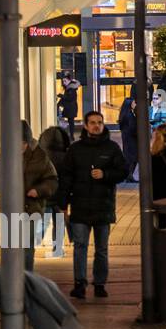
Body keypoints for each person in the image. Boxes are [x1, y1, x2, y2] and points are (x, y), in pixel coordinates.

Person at [64, 111, 129, 299]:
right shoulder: (75, 149)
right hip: (80, 206)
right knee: (80, 246)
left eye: (99, 122)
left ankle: (100, 283)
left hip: (103, 205)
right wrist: (63, 204)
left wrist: (106, 175)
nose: (96, 126)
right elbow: (66, 177)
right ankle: (80, 283)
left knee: (101, 248)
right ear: (85, 125)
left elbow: (123, 170)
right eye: (92, 122)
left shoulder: (112, 148)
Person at [0, 120, 59, 271]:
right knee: (9, 247)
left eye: (23, 142)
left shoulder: (40, 157)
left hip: (31, 208)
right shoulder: (3, 158)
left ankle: (25, 280)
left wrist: (38, 190)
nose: (20, 145)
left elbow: (52, 180)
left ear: (28, 141)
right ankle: (10, 282)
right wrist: (5, 184)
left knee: (26, 248)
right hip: (10, 209)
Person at [38, 125, 74, 259]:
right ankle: (58, 249)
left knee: (41, 222)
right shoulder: (66, 157)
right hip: (60, 197)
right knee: (59, 223)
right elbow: (68, 179)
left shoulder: (40, 157)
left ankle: (30, 246)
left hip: (45, 196)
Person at [118, 95, 139, 180]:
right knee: (133, 158)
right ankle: (129, 176)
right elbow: (133, 128)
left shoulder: (124, 114)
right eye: (134, 102)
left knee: (130, 157)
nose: (135, 104)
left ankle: (129, 176)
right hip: (131, 140)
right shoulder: (130, 116)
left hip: (127, 139)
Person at [57, 74, 81, 139]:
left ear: (69, 81)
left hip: (70, 108)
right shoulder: (70, 87)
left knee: (70, 122)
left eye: (65, 81)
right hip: (70, 107)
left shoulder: (71, 88)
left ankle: (71, 136)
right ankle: (71, 135)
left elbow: (69, 98)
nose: (64, 83)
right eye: (63, 81)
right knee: (70, 122)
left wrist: (61, 95)